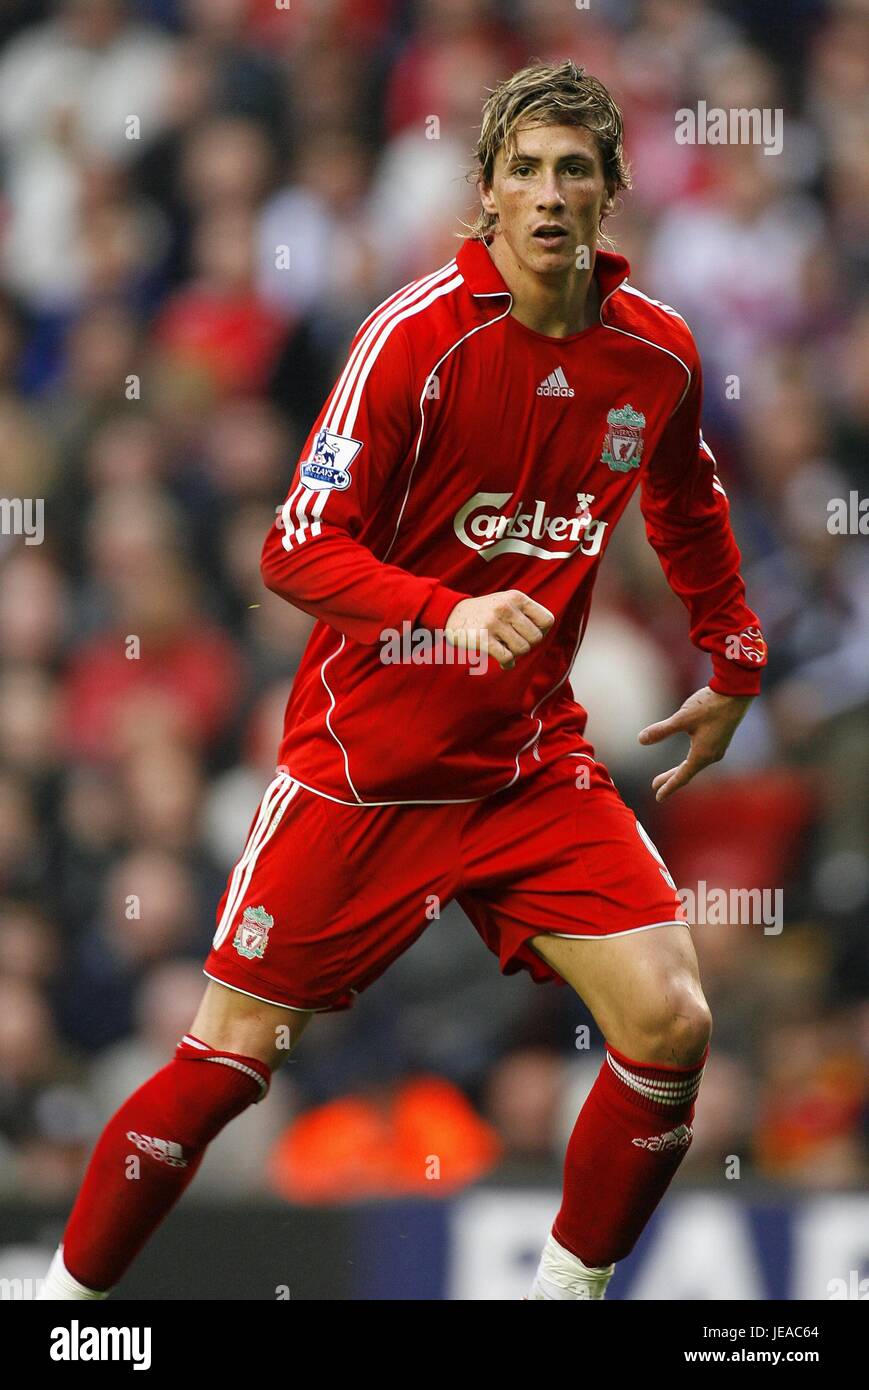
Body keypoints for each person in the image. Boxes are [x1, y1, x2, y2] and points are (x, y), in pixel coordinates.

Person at [39, 60, 767, 1302]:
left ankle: (563, 1293)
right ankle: (61, 1310)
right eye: (523, 171)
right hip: (365, 769)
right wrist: (444, 609)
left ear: (609, 195)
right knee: (228, 1058)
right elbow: (291, 548)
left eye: (573, 172)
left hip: (528, 763)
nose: (547, 195)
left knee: (670, 1022)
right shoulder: (413, 339)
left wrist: (732, 651)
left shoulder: (653, 354)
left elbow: (687, 500)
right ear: (483, 192)